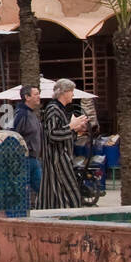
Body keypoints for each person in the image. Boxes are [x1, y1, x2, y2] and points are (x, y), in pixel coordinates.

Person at [40, 78, 89, 210]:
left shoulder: (59, 110)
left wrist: (76, 130)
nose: (73, 94)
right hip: (57, 159)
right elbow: (53, 134)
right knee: (69, 192)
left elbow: (62, 134)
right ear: (64, 92)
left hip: (61, 158)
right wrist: (72, 127)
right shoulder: (53, 110)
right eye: (71, 91)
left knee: (57, 193)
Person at [12, 85, 44, 206]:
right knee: (23, 190)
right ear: (27, 97)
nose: (38, 97)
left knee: (40, 188)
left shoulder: (32, 114)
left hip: (34, 159)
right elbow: (13, 134)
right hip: (25, 159)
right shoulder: (21, 114)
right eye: (36, 94)